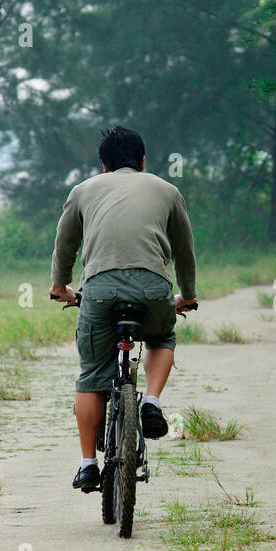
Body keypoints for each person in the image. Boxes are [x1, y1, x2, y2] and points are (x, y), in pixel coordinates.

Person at [49, 126, 197, 492]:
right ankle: (151, 402)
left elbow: (65, 244)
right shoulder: (167, 190)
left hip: (99, 290)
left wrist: (60, 287)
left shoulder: (83, 191)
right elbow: (184, 251)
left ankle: (88, 465)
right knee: (161, 336)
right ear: (143, 161)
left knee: (91, 376)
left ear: (103, 165)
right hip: (153, 288)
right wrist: (187, 295)